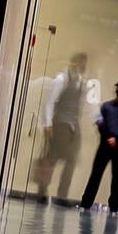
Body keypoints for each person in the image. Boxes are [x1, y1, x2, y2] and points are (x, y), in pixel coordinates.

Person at [79, 79, 118, 216]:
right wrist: (108, 138)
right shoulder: (105, 107)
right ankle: (85, 204)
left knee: (117, 178)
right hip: (104, 146)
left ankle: (114, 208)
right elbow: (100, 123)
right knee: (95, 175)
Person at [36, 52, 89, 200]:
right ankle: (42, 190)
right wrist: (47, 124)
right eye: (81, 62)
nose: (83, 66)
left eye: (84, 63)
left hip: (74, 127)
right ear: (74, 63)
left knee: (71, 161)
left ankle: (62, 195)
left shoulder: (82, 83)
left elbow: (83, 106)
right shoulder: (61, 79)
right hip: (60, 124)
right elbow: (50, 101)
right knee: (52, 158)